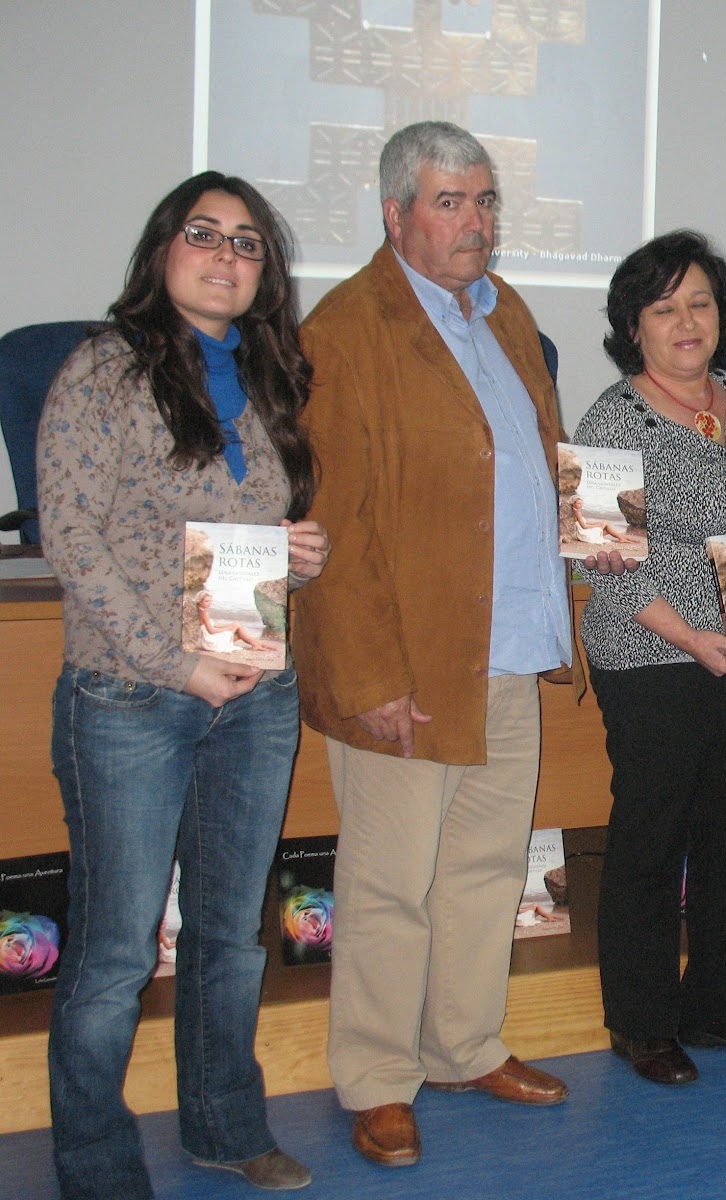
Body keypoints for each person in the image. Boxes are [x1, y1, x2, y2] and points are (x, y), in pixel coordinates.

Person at [38, 171, 329, 1198]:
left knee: (228, 936)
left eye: (248, 243)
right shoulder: (102, 370)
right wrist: (179, 664)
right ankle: (97, 1165)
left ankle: (223, 1126)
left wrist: (300, 552)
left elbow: (247, 534)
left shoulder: (266, 376)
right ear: (163, 250)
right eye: (204, 234)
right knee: (116, 953)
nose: (226, 255)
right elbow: (70, 540)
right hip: (131, 699)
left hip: (254, 693)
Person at [292, 121, 577, 1167]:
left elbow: (534, 473)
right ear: (394, 214)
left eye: (486, 200)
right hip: (407, 667)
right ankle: (375, 1077)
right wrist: (367, 676)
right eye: (451, 203)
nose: (476, 222)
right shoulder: (346, 328)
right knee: (388, 882)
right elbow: (336, 522)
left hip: (505, 649)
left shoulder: (505, 317)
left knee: (483, 870)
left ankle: (460, 1044)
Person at [575, 229, 726, 1086]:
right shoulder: (607, 418)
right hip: (654, 654)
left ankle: (720, 1007)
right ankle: (641, 1023)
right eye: (664, 307)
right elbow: (600, 564)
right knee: (649, 838)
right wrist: (689, 636)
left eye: (700, 302)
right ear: (633, 325)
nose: (686, 321)